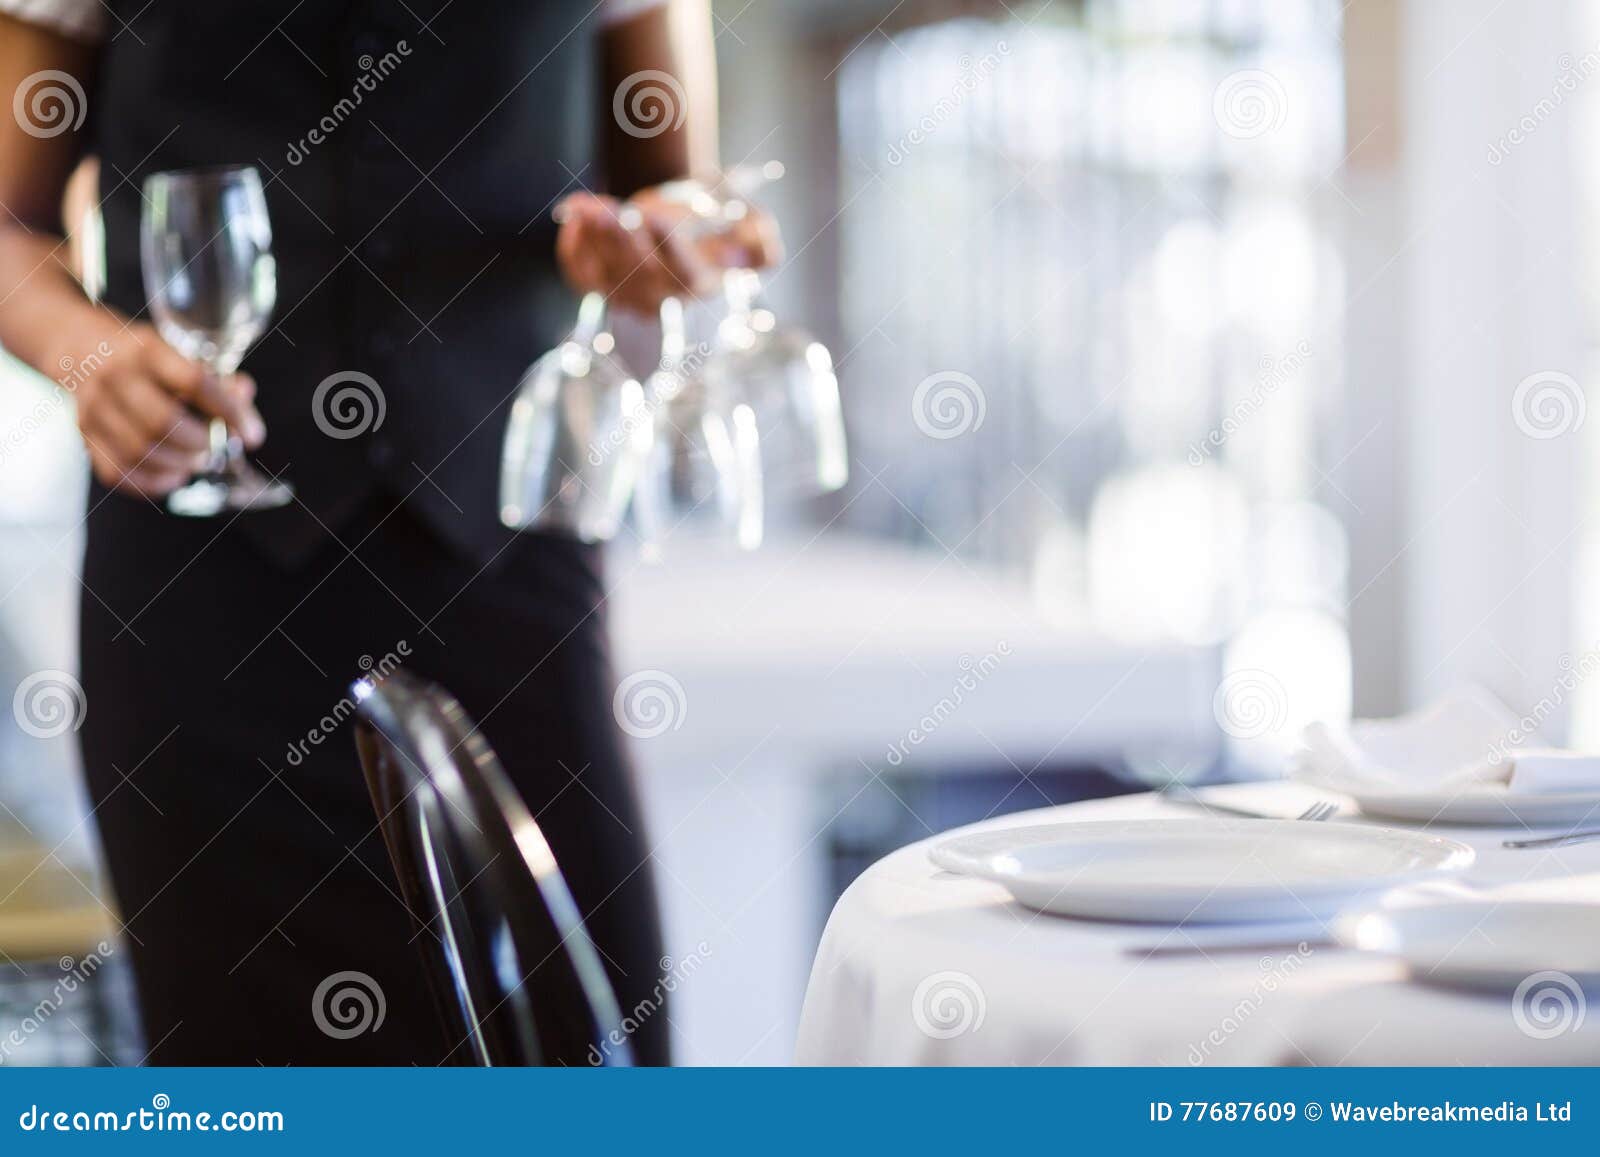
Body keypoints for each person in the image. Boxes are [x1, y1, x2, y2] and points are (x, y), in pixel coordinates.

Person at [0, 0, 776, 1064]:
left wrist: (666, 245)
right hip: (196, 593)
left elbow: (681, 189)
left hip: (509, 551)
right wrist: (87, 354)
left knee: (587, 1059)